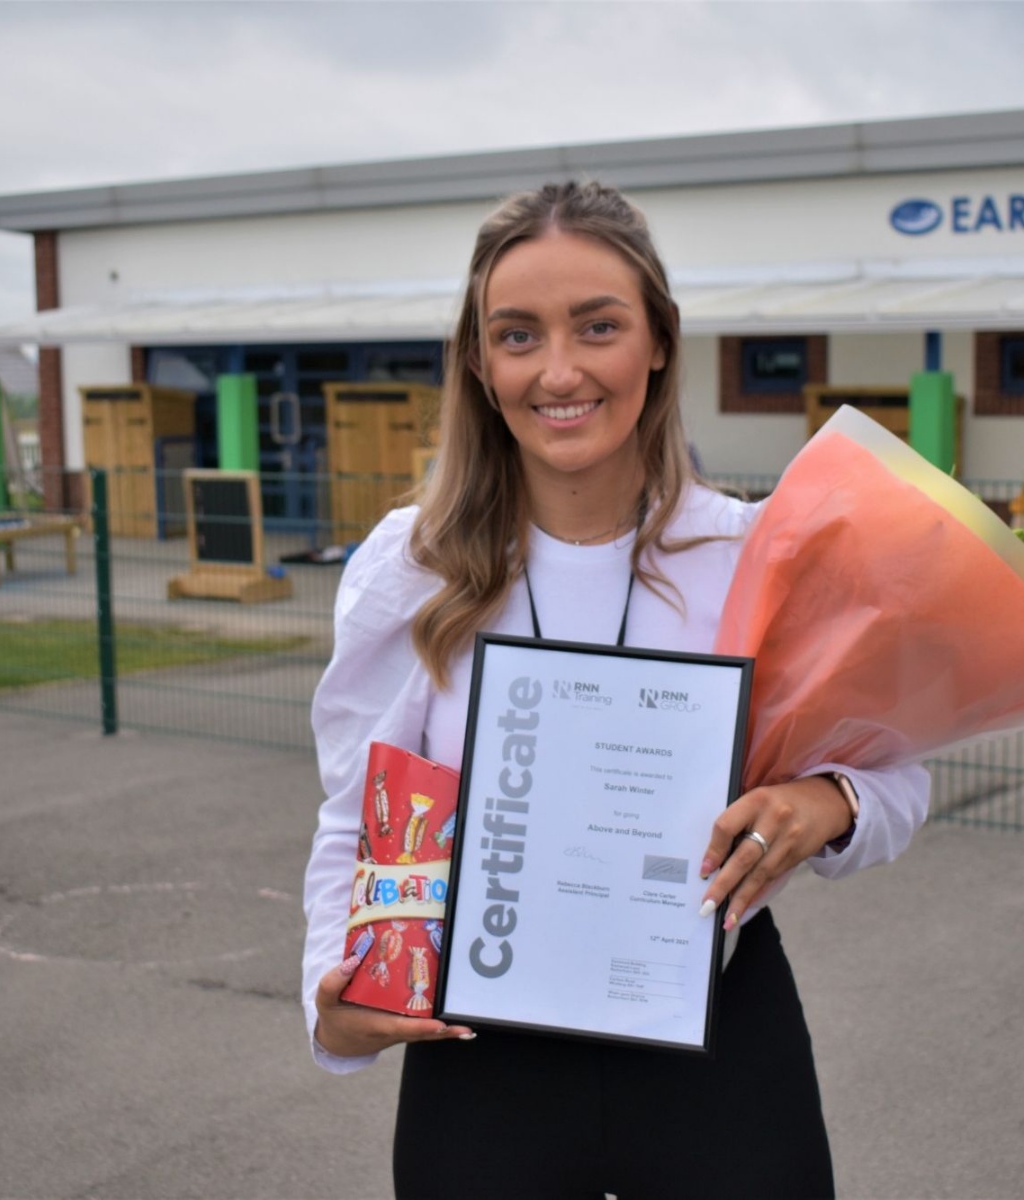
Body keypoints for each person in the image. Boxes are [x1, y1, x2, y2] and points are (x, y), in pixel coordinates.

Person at [303, 180, 929, 1198]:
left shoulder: (754, 557)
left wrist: (828, 802)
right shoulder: (409, 571)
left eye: (598, 326)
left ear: (660, 341)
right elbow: (351, 819)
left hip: (716, 1036)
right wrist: (325, 998)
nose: (560, 371)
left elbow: (899, 777)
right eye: (517, 335)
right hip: (481, 1044)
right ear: (477, 360)